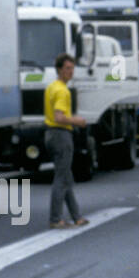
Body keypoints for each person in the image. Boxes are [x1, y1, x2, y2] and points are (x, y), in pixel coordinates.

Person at [43, 53, 90, 229]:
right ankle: (55, 219)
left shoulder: (51, 87)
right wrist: (78, 121)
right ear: (59, 70)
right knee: (61, 179)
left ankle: (76, 216)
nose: (71, 72)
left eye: (72, 68)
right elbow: (60, 117)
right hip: (61, 135)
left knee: (66, 177)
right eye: (67, 69)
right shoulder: (63, 91)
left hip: (50, 134)